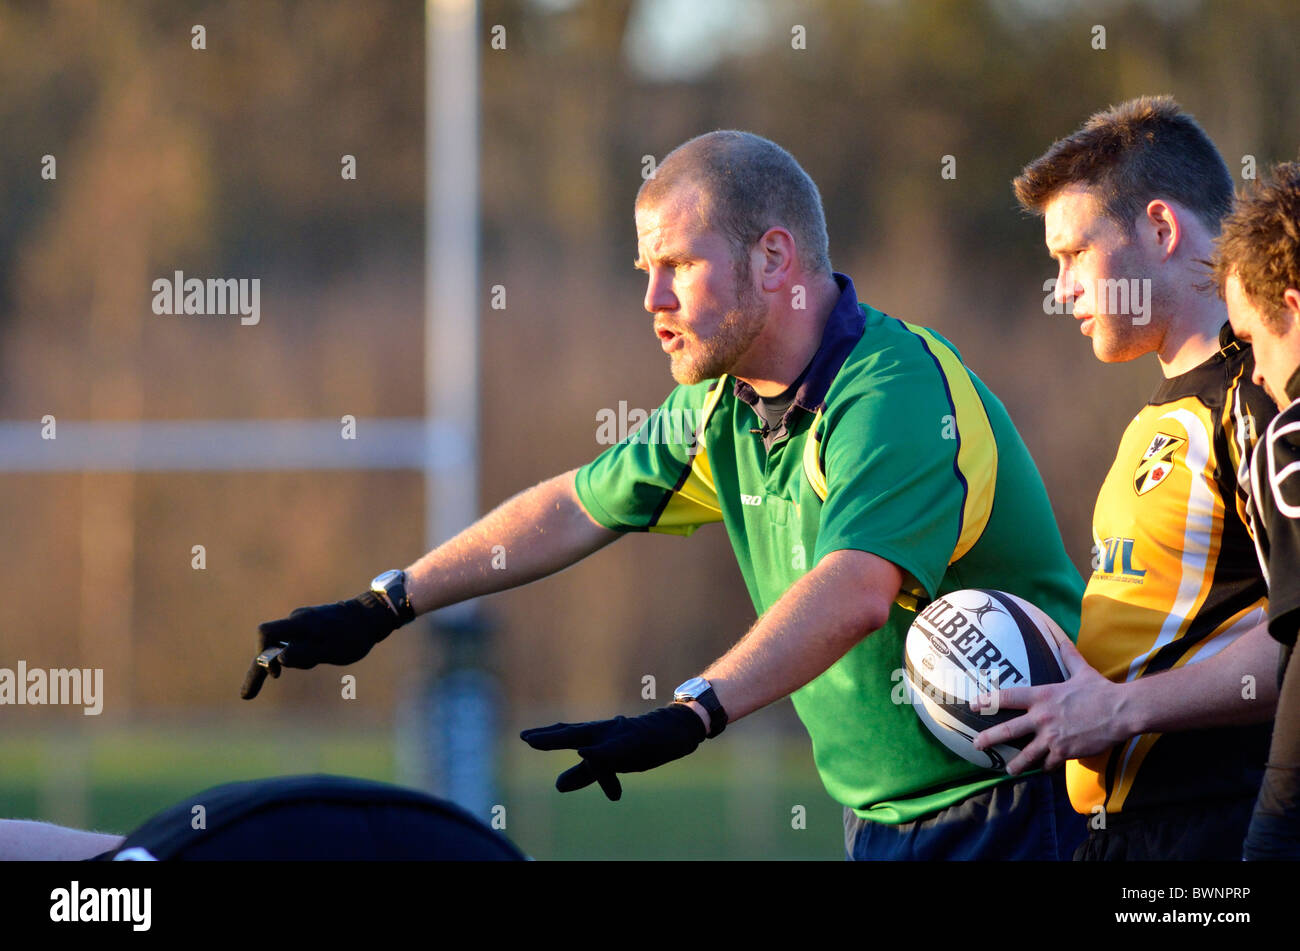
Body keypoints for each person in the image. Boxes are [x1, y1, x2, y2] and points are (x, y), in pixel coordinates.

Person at [243, 130, 1086, 860]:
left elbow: (857, 588)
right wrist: (388, 602)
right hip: (881, 817)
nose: (652, 300)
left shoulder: (892, 390)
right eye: (646, 269)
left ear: (774, 257)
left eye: (678, 265)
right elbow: (575, 505)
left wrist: (694, 712)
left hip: (1020, 803)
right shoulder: (721, 403)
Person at [973, 96, 1281, 859]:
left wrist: (1118, 711)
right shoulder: (1155, 413)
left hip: (1220, 828)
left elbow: (1293, 640)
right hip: (1122, 833)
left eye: (1074, 253)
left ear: (1161, 229)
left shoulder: (1260, 402)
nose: (1061, 288)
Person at [1210, 160, 1300, 859]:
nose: (1256, 373)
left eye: (1249, 341)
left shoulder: (1291, 438)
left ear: (1292, 309)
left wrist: (1269, 837)